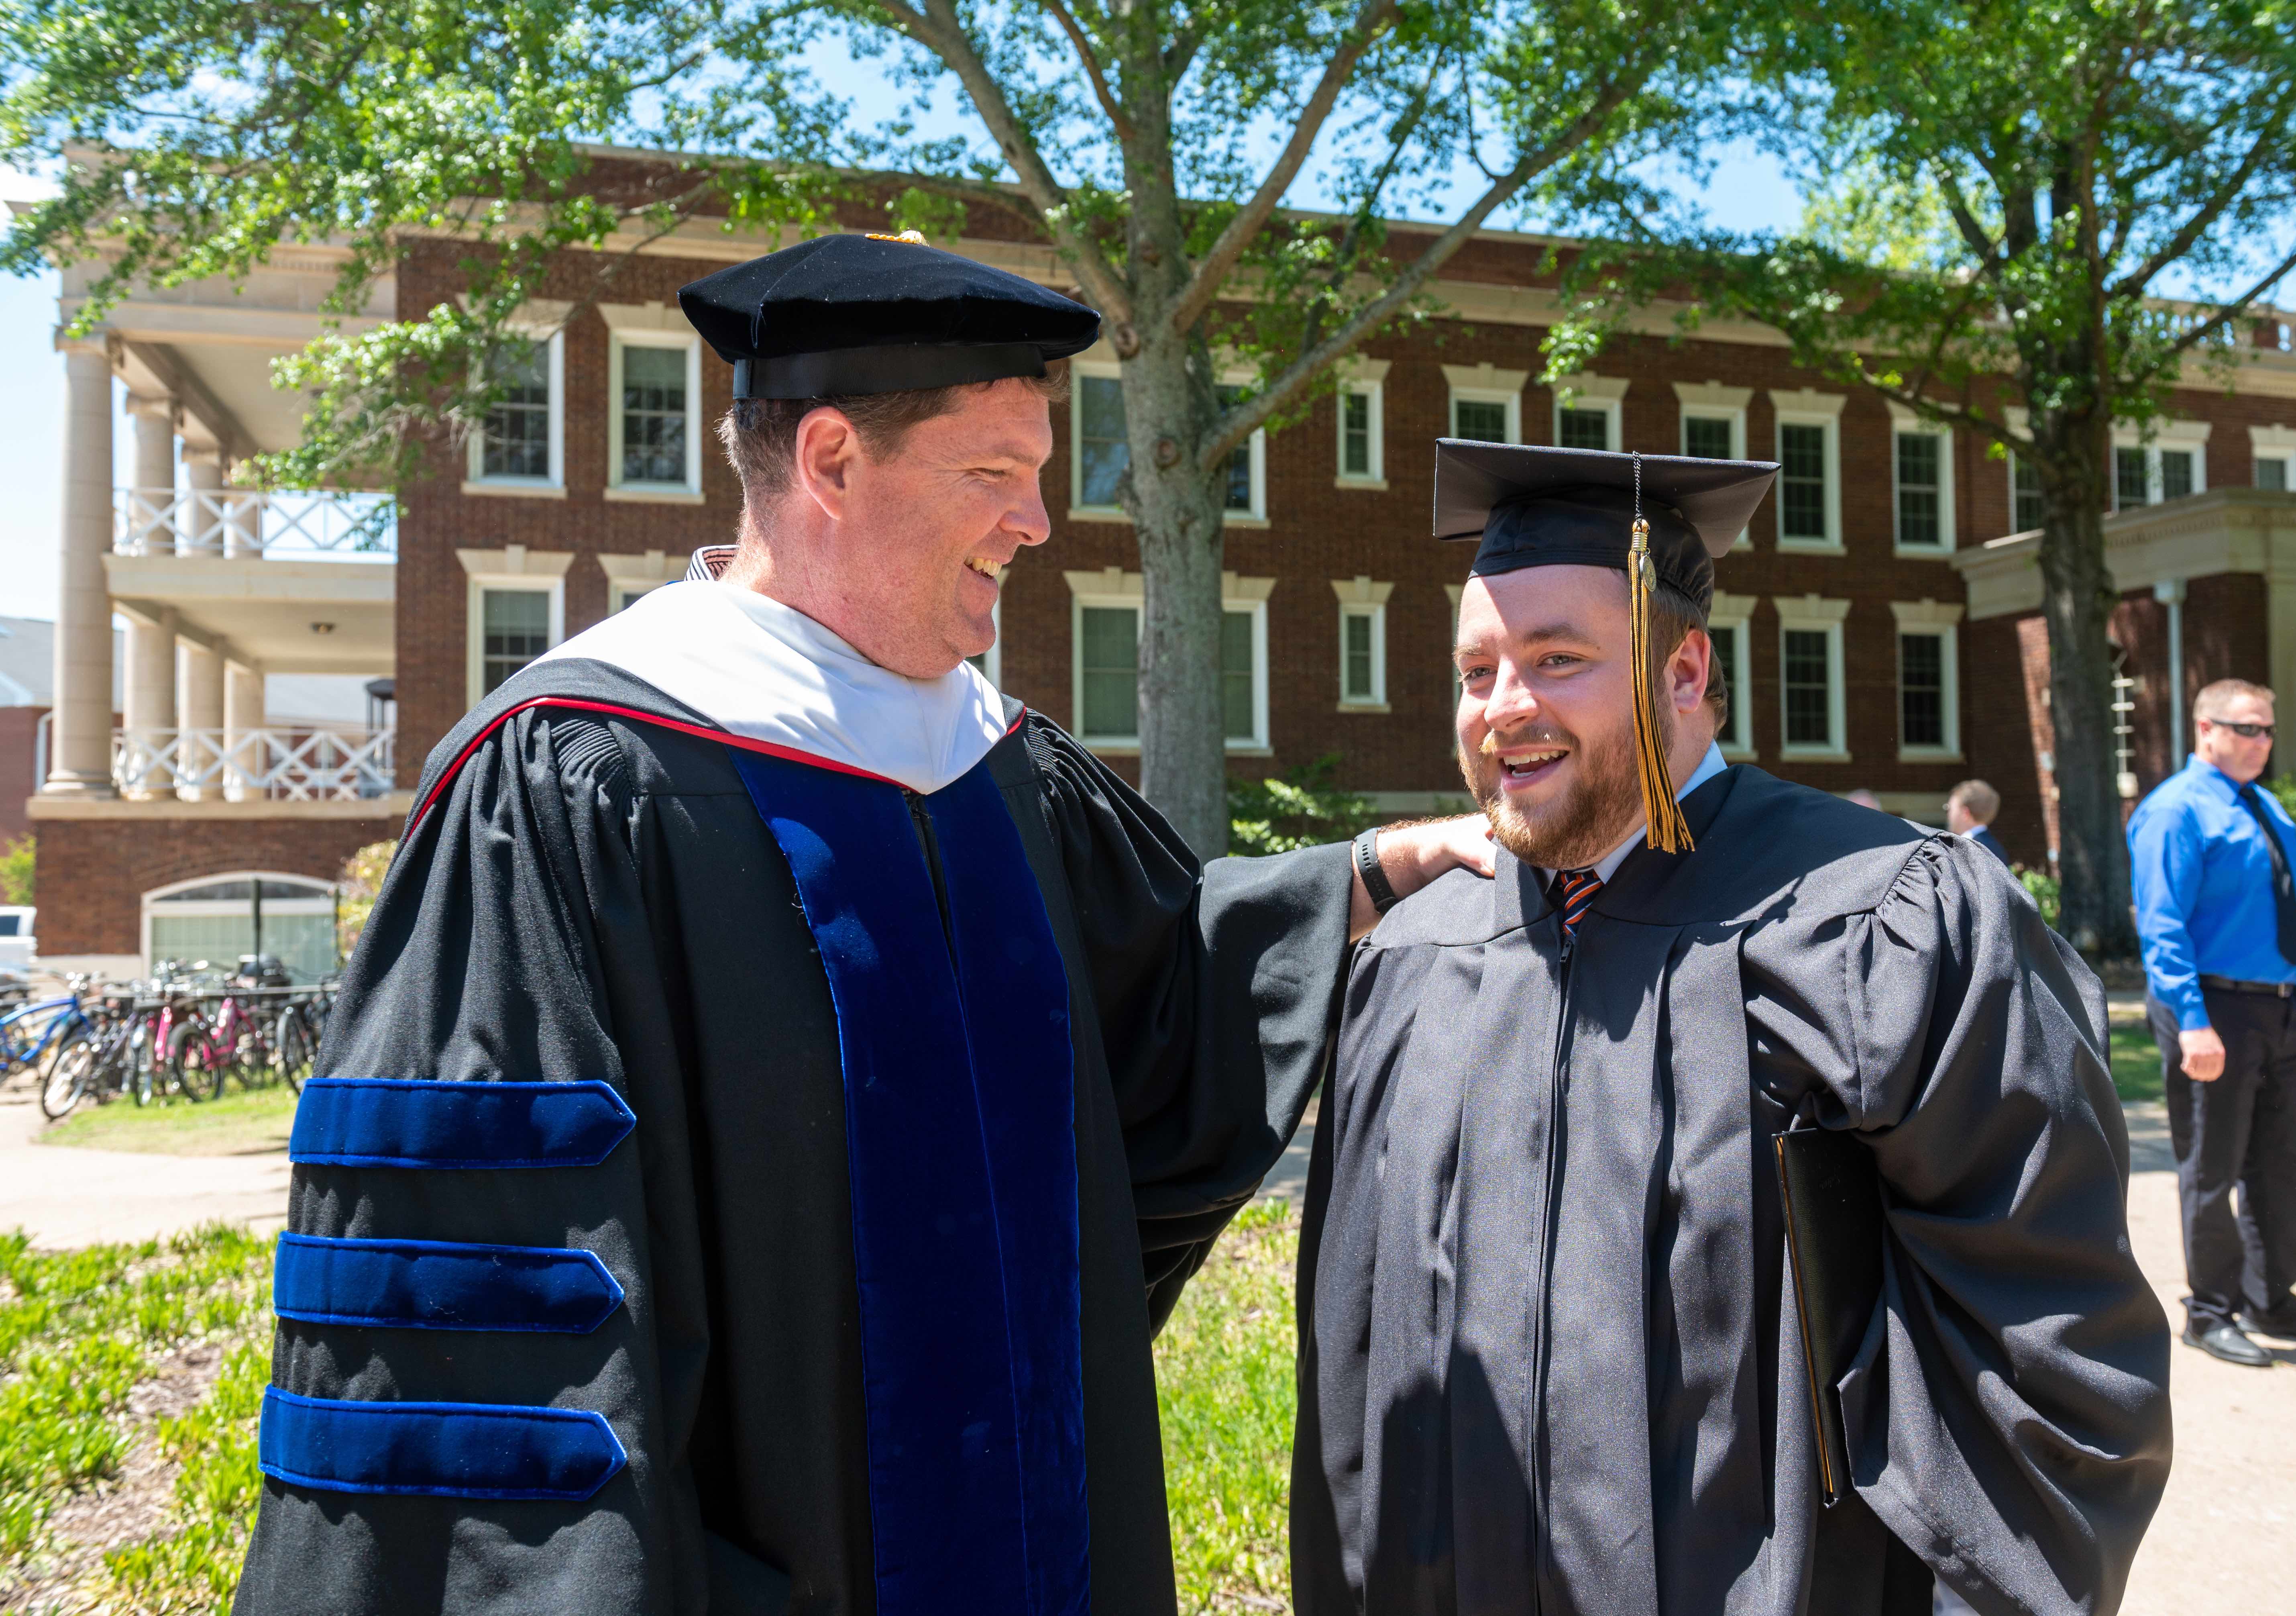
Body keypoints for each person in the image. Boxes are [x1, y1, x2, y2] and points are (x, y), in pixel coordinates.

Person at [230, 233, 1489, 1615]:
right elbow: (484, 1329)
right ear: (830, 461)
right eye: (992, 475)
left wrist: (1372, 872)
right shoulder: (573, 784)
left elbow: (1152, 1006)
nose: (1037, 521)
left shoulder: (998, 769)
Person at [1292, 440, 2172, 1616]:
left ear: (1686, 671)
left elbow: (2050, 1356)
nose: (1507, 708)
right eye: (1478, 670)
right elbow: (1352, 1382)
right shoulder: (1412, 960)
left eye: (1559, 659)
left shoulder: (1889, 922)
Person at [2127, 679, 2296, 1369]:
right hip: (2212, 1005)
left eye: (2266, 729)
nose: (2260, 741)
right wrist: (2192, 1021)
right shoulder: (2174, 810)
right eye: (2245, 728)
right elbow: (2162, 925)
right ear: (2205, 729)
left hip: (2282, 1002)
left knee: (2286, 1159)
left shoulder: (2265, 803)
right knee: (2212, 1162)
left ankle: (2271, 1294)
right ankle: (2208, 1310)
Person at [1945, 777, 2010, 866]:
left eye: (1949, 808)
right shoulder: (1998, 849)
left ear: (1965, 813)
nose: (1948, 814)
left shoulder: (1965, 850)